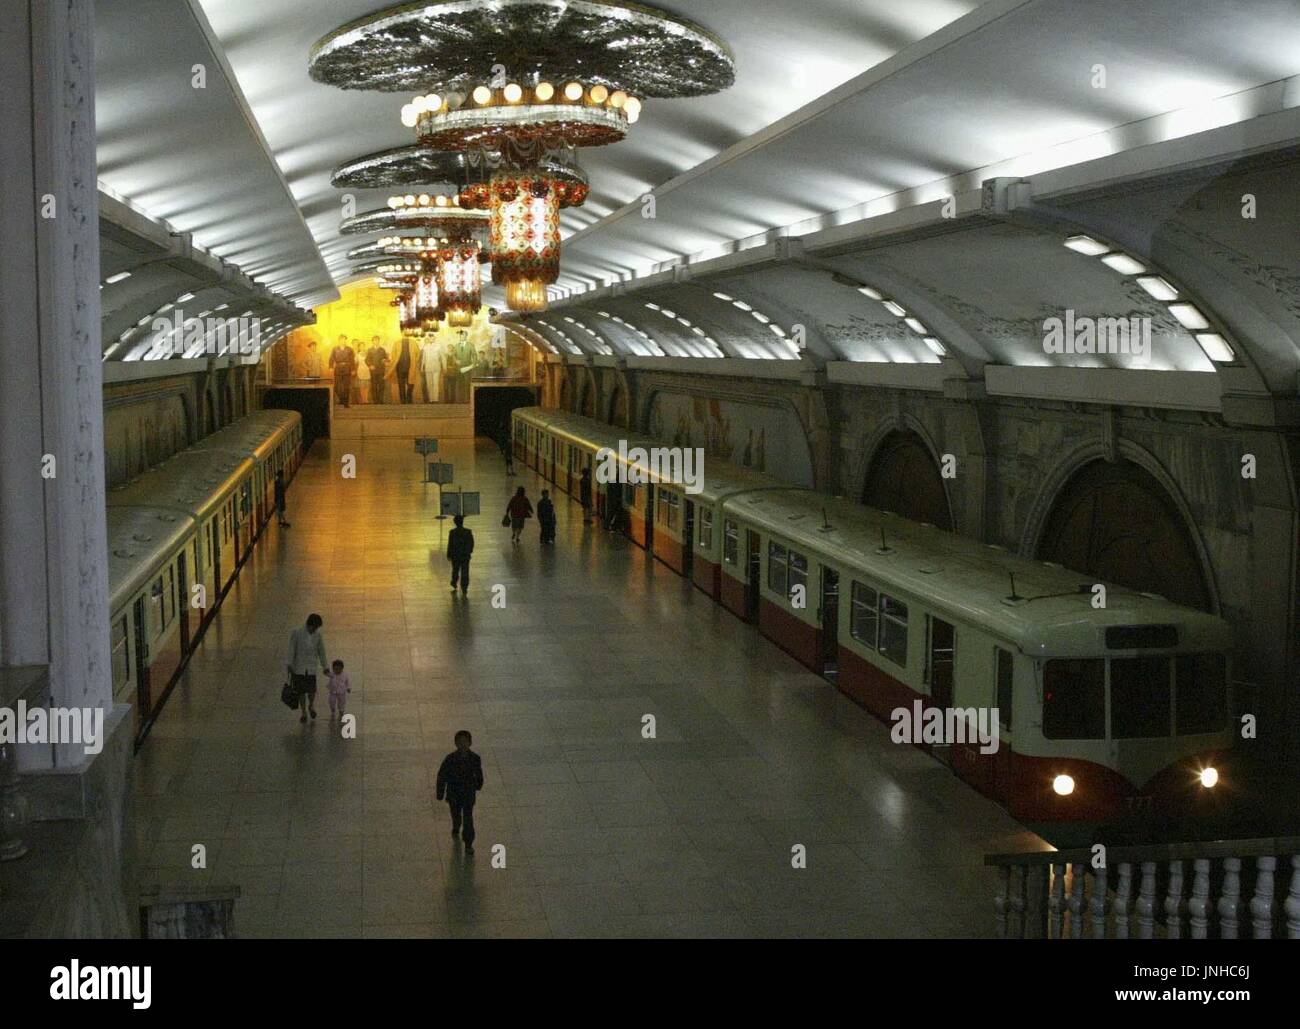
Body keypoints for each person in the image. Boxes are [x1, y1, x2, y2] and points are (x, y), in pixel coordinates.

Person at [435, 730, 484, 854]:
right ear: (456, 744)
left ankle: (468, 843)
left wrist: (478, 785)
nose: (463, 745)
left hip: (468, 793)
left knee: (468, 817)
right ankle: (456, 826)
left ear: (470, 743)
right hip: (454, 794)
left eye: (465, 742)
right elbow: (442, 776)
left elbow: (478, 774)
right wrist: (440, 793)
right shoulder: (450, 759)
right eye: (460, 742)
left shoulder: (475, 758)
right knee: (456, 814)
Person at [286, 614, 327, 723]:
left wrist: (325, 666)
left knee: (311, 690)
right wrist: (289, 663)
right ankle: (303, 711)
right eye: (315, 627)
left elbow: (321, 652)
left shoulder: (318, 635)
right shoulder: (297, 633)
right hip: (299, 668)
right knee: (301, 692)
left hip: (311, 667)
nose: (315, 629)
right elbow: (292, 649)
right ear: (310, 625)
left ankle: (311, 705)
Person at [447, 514, 474, 594]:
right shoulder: (468, 532)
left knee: (455, 570)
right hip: (465, 555)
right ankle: (464, 586)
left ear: (455, 522)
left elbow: (450, 544)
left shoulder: (452, 532)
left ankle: (454, 581)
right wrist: (469, 551)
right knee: (465, 571)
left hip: (455, 555)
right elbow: (471, 542)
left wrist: (449, 554)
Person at [328, 335, 355, 408]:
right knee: (337, 387)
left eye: (345, 340)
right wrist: (330, 366)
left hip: (347, 369)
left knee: (346, 386)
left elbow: (352, 360)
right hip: (338, 369)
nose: (344, 341)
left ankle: (346, 403)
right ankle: (341, 399)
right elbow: (331, 358)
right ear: (339, 340)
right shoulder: (335, 349)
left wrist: (353, 369)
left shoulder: (349, 349)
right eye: (342, 340)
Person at [366, 337, 389, 404]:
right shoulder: (370, 350)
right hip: (373, 371)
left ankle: (380, 401)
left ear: (379, 341)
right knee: (374, 386)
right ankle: (375, 401)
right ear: (372, 341)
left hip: (381, 370)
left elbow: (385, 358)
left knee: (381, 385)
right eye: (375, 340)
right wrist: (370, 365)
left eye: (377, 340)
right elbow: (367, 360)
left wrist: (385, 360)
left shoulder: (382, 350)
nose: (376, 341)